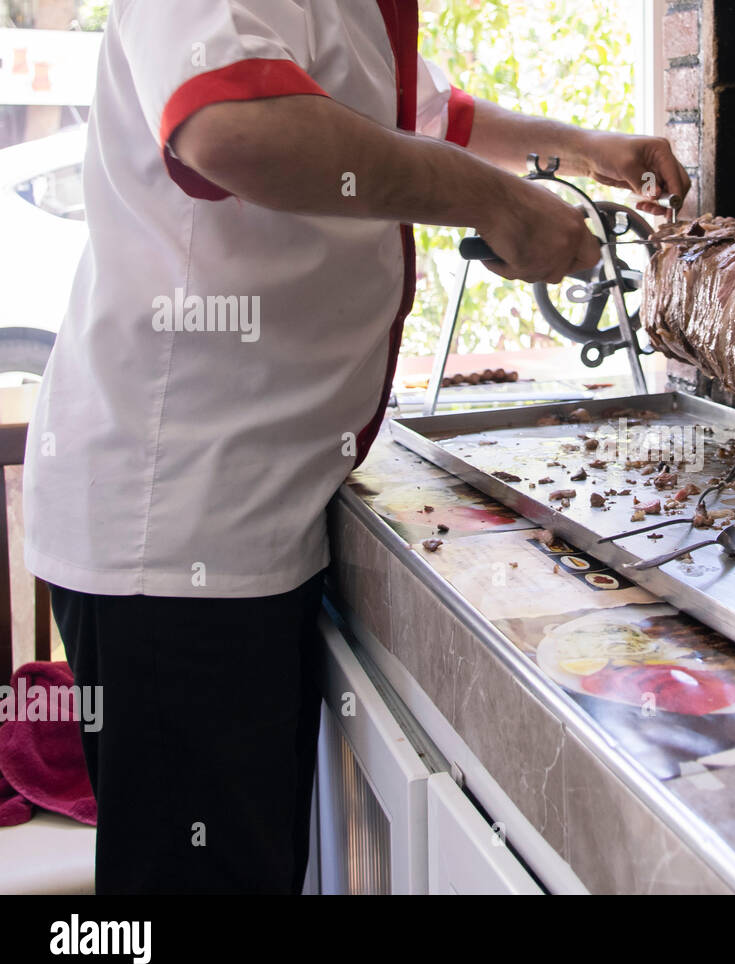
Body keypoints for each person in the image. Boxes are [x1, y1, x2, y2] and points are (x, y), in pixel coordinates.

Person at [22, 0, 689, 894]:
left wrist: (584, 150)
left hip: (247, 514)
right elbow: (229, 127)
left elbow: (412, 114)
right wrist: (493, 200)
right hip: (179, 527)